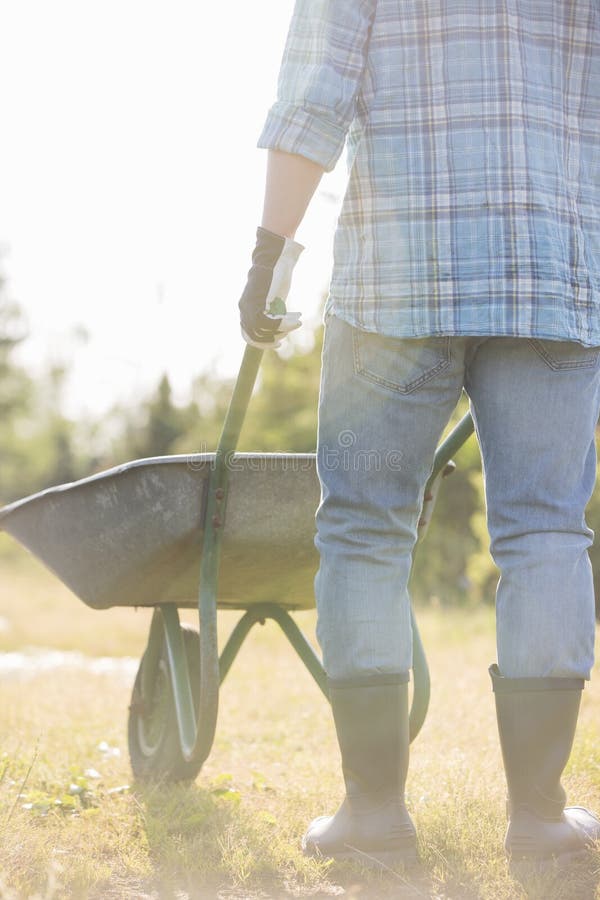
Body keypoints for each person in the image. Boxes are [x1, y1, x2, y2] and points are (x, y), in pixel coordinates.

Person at [238, 0, 600, 870]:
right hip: (551, 271)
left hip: (399, 279)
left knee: (365, 528)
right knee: (546, 530)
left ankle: (372, 817)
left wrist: (266, 260)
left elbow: (311, 100)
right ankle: (542, 825)